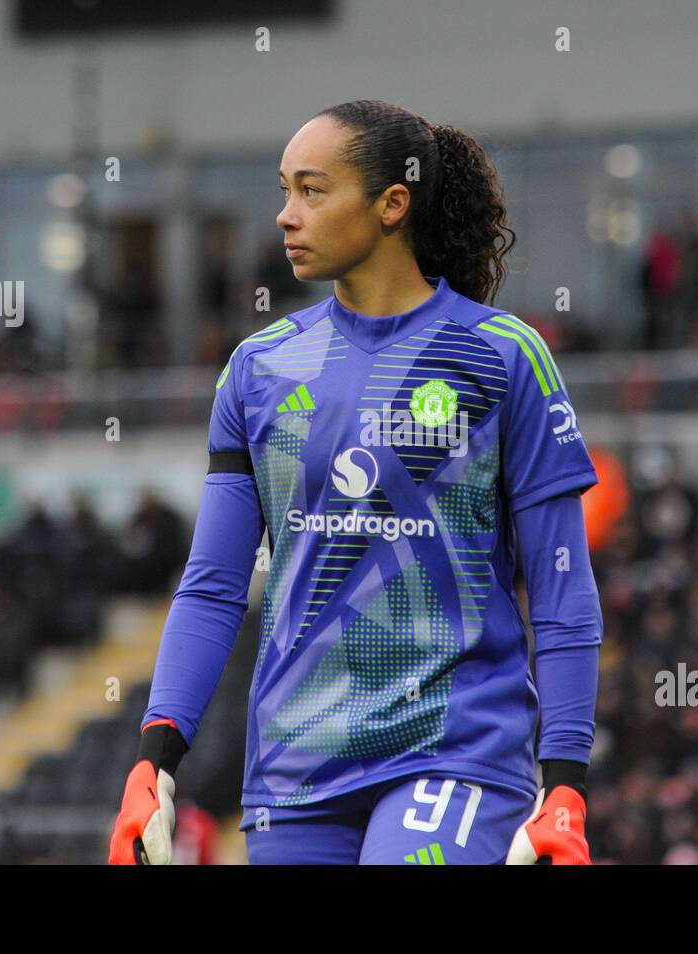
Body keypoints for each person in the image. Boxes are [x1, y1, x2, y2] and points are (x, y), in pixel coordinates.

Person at [109, 100, 603, 865]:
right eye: (283, 191)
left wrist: (565, 784)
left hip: (457, 755)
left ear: (391, 205)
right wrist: (153, 764)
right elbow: (211, 586)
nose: (284, 216)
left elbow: (562, 589)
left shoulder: (505, 357)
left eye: (311, 190)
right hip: (294, 770)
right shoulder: (258, 370)